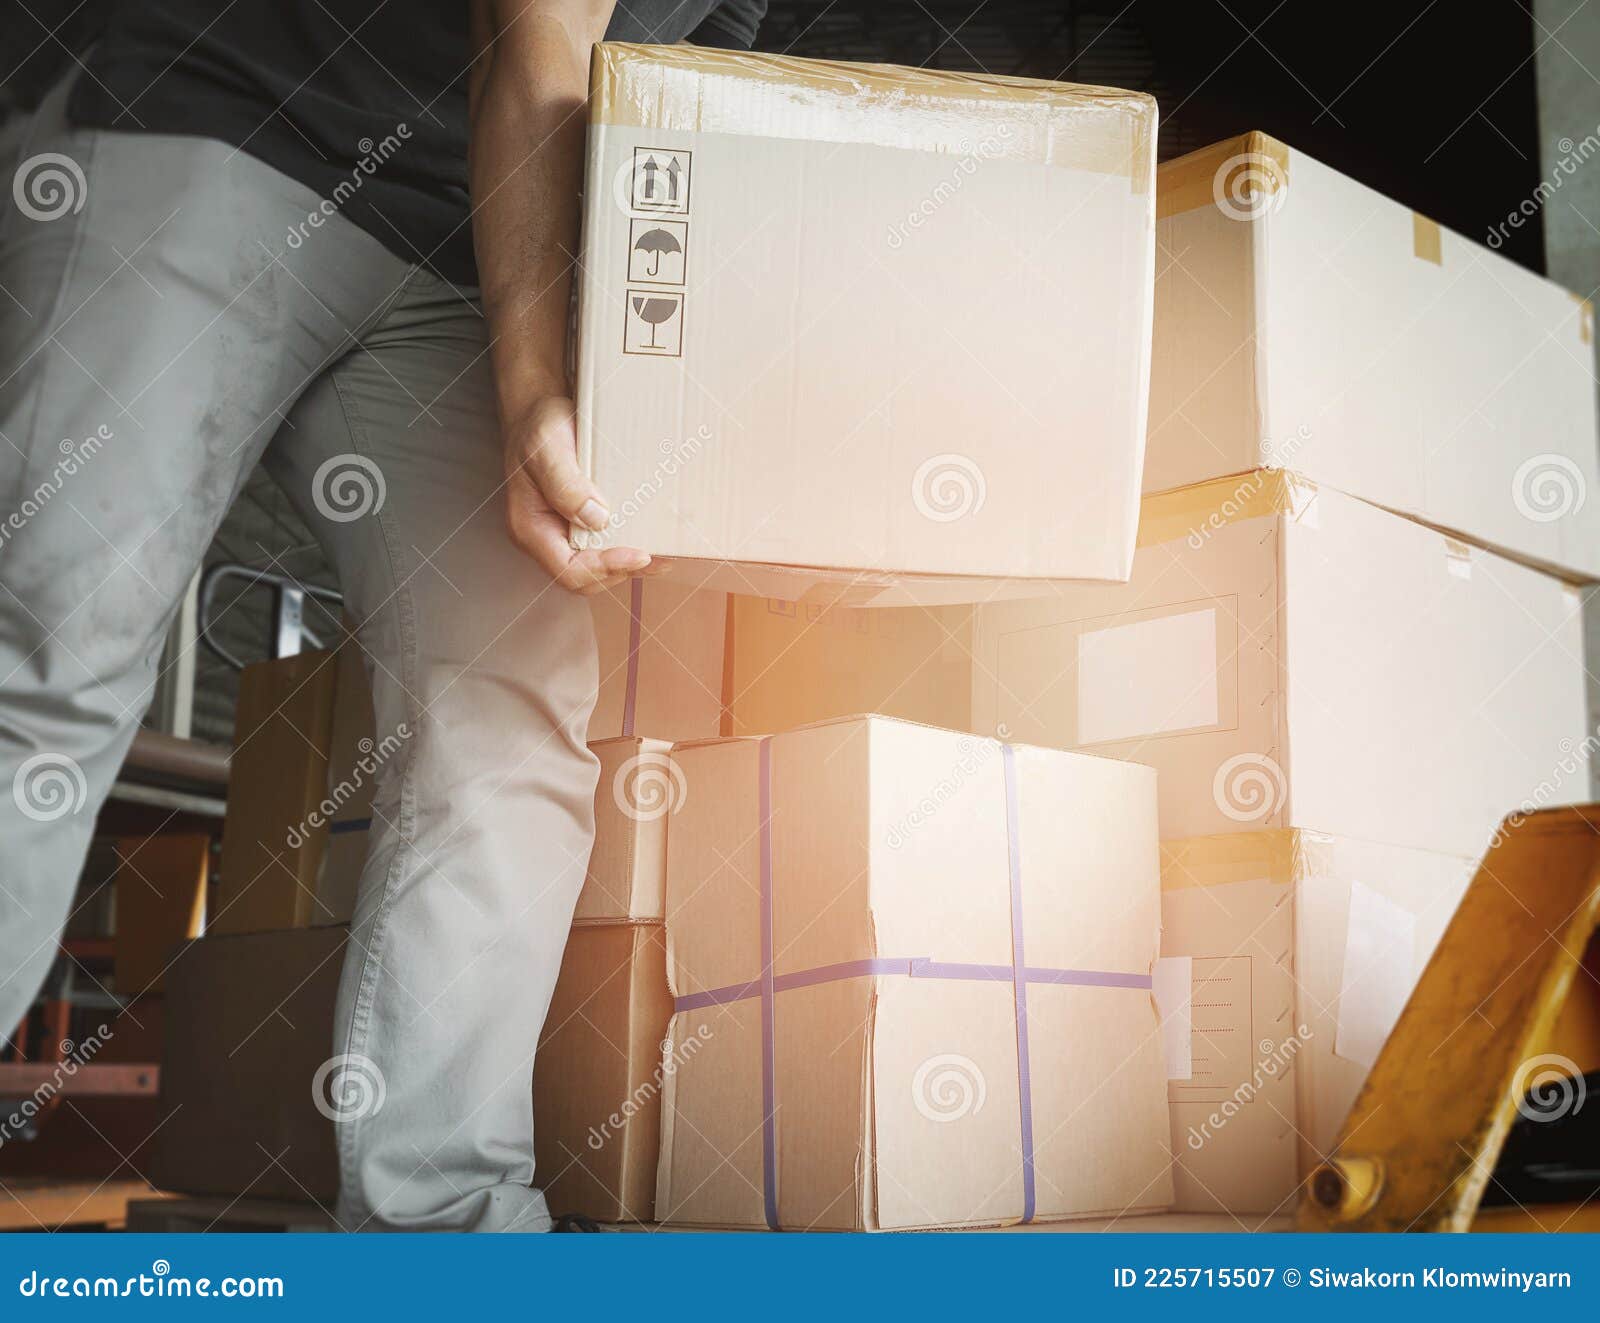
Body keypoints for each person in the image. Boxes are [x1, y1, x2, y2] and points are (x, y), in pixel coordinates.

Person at [0, 0, 765, 1232]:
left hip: (467, 249)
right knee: (51, 652)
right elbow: (535, 37)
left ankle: (444, 1230)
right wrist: (535, 384)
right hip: (226, 117)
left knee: (506, 734)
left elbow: (659, 122)